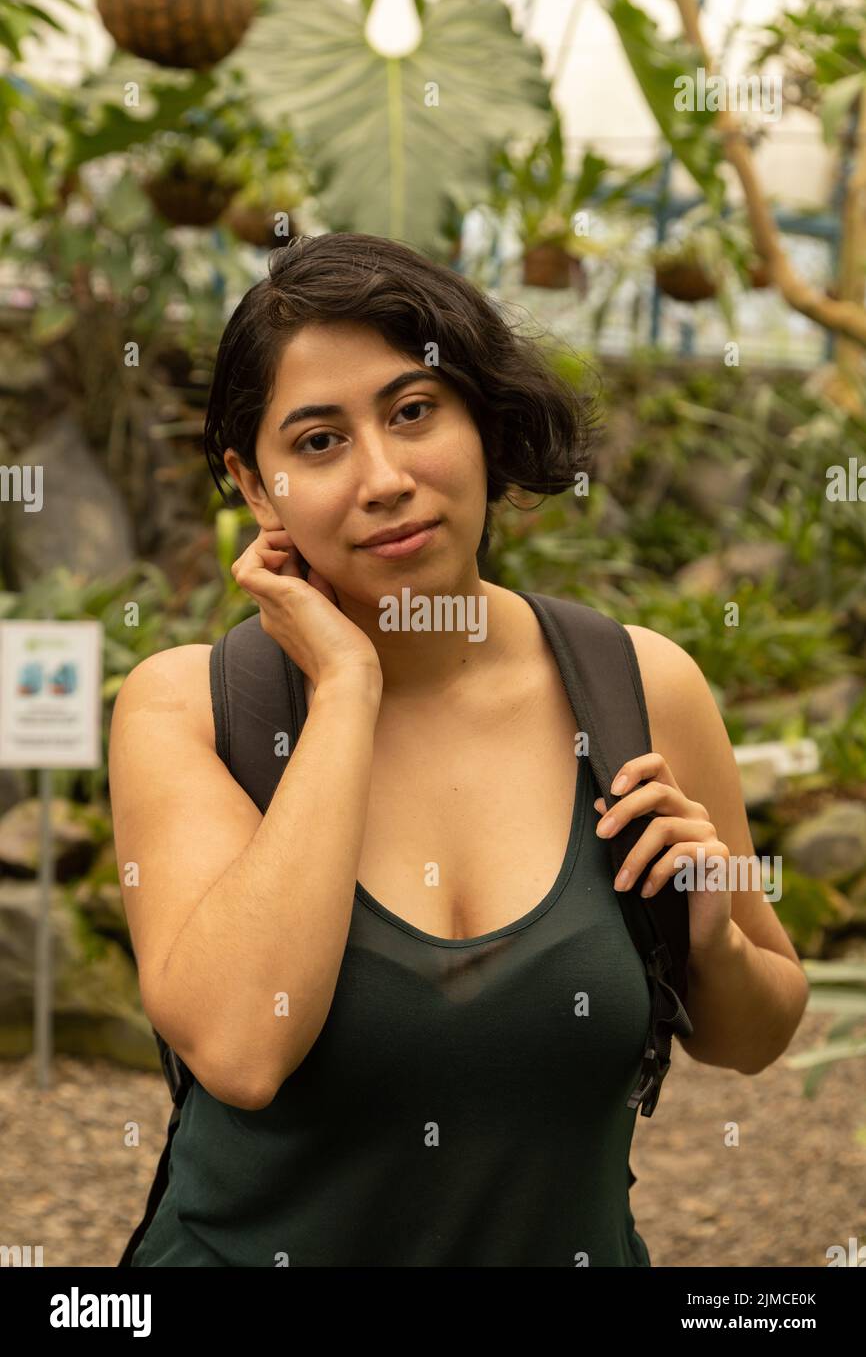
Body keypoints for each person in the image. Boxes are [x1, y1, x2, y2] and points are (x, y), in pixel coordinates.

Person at [109, 232, 809, 1267]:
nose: (384, 477)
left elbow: (754, 1033)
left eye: (411, 411)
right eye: (316, 442)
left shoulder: (635, 689)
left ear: (478, 422)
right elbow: (245, 1049)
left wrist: (708, 940)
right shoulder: (191, 709)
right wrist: (346, 686)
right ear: (256, 490)